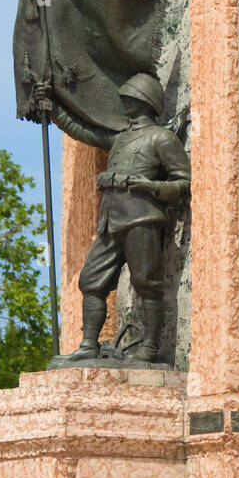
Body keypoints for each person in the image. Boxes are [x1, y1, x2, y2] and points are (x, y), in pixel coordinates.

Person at [36, 72, 190, 363]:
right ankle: (88, 345)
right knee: (91, 280)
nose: (124, 102)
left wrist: (148, 186)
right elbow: (82, 130)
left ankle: (150, 348)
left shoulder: (162, 138)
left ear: (144, 102)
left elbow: (182, 183)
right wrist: (51, 107)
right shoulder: (121, 138)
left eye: (129, 98)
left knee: (146, 283)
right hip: (111, 220)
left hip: (141, 217)